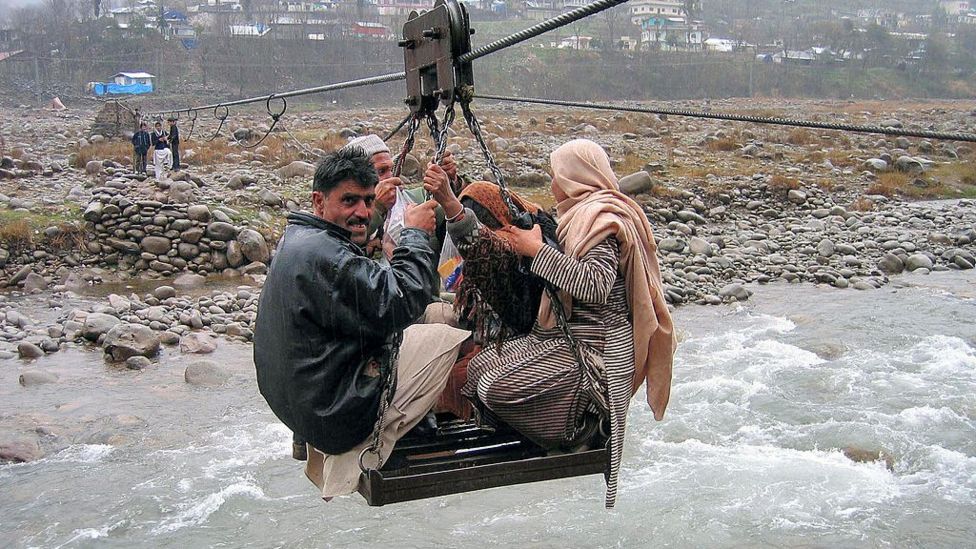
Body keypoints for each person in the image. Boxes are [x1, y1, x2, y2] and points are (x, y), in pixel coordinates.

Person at [423, 138, 676, 508]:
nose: (552, 183)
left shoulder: (602, 220)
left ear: (575, 178)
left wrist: (535, 250)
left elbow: (595, 286)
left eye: (556, 175)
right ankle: (545, 420)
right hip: (563, 337)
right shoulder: (579, 215)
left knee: (494, 387)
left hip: (593, 352)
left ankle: (578, 426)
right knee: (476, 370)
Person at [254, 147, 469, 500]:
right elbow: (403, 300)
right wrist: (415, 235)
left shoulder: (301, 239)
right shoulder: (328, 256)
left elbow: (369, 297)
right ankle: (383, 439)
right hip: (337, 416)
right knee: (446, 335)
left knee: (429, 318)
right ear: (319, 201)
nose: (362, 212)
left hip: (307, 406)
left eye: (368, 201)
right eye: (349, 200)